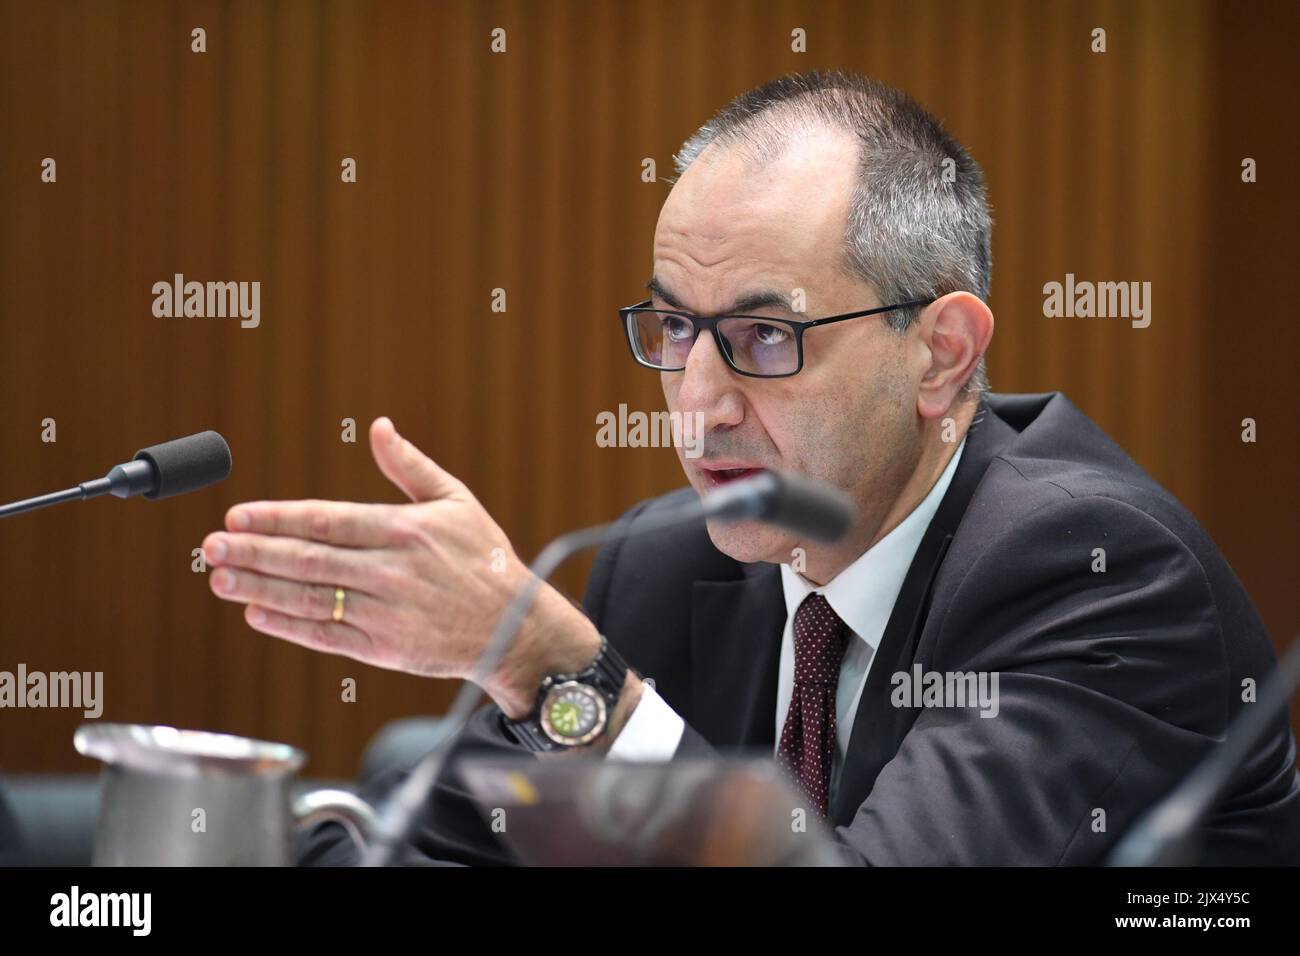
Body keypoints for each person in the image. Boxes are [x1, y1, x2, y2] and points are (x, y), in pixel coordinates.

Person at [202, 71, 1300, 865]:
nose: (701, 398)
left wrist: (565, 679)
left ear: (942, 352)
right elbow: (431, 848)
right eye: (676, 328)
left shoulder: (1094, 572)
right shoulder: (659, 569)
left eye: (766, 337)